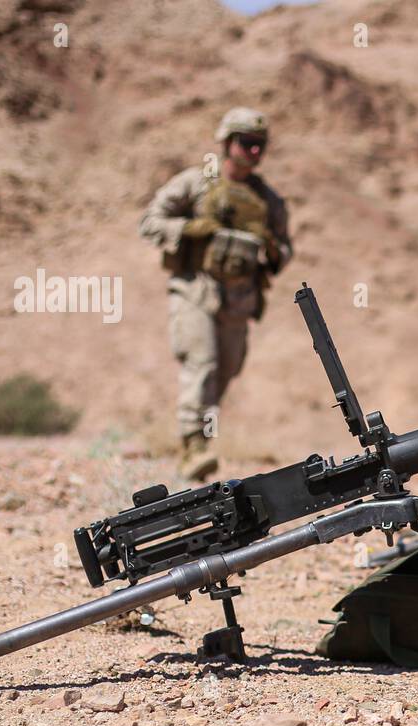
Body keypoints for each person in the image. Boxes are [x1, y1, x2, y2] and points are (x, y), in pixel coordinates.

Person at [138, 107, 293, 480]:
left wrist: (272, 249)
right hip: (196, 290)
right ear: (226, 144)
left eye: (260, 146)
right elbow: (150, 222)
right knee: (201, 362)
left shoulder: (267, 201)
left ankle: (197, 442)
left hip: (238, 301)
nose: (254, 152)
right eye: (246, 143)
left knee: (224, 372)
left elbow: (285, 250)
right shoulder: (195, 183)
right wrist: (191, 229)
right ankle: (194, 448)